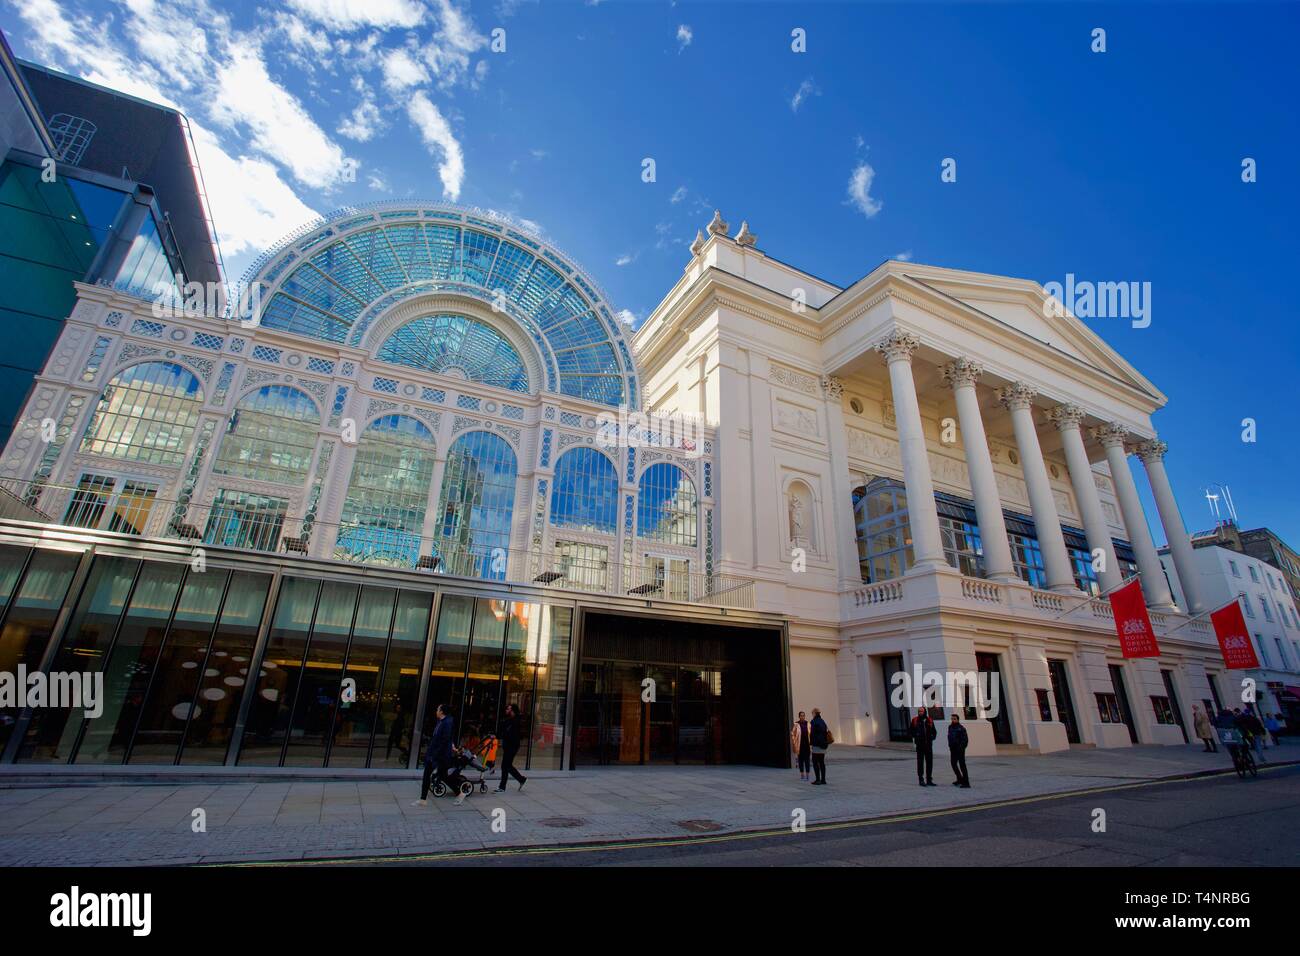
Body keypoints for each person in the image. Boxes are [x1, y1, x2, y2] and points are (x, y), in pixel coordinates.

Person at [413, 703, 455, 806]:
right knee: (432, 775)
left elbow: (445, 740)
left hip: (439, 755)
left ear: (441, 712)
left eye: (437, 709)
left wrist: (434, 755)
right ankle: (423, 799)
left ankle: (460, 792)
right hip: (435, 754)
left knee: (440, 775)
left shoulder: (446, 723)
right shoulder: (441, 721)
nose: (436, 711)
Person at [495, 702, 527, 792]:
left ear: (512, 711)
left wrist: (500, 736)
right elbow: (503, 730)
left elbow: (509, 734)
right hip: (509, 746)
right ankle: (521, 779)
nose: (506, 710)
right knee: (507, 766)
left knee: (505, 766)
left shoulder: (515, 721)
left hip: (512, 746)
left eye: (508, 709)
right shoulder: (509, 720)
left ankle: (502, 787)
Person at [910, 707, 937, 787]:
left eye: (921, 711)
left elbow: (934, 731)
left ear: (925, 711)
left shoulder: (930, 720)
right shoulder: (915, 720)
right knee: (920, 762)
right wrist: (916, 736)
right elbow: (911, 731)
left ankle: (929, 779)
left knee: (929, 762)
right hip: (920, 745)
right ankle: (921, 779)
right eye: (919, 711)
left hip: (928, 745)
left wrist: (932, 737)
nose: (920, 712)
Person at [808, 707, 831, 785]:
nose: (812, 715)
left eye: (812, 713)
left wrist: (810, 743)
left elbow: (812, 734)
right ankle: (823, 780)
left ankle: (818, 780)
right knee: (821, 762)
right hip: (823, 744)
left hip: (816, 745)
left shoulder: (813, 721)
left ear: (814, 713)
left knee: (815, 762)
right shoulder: (822, 721)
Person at [947, 712, 970, 788]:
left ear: (957, 720)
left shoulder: (961, 728)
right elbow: (949, 737)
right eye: (952, 719)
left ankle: (966, 782)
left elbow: (965, 740)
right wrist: (950, 745)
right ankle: (959, 778)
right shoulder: (950, 727)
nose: (953, 720)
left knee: (962, 765)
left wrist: (961, 747)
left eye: (954, 719)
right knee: (953, 764)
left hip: (959, 749)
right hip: (953, 749)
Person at [791, 711, 812, 781]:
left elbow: (811, 734)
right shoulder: (796, 724)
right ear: (799, 716)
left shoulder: (808, 724)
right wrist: (794, 742)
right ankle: (802, 775)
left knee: (807, 760)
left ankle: (808, 775)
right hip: (800, 745)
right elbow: (792, 734)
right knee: (801, 760)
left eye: (803, 715)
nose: (802, 717)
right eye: (801, 715)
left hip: (807, 745)